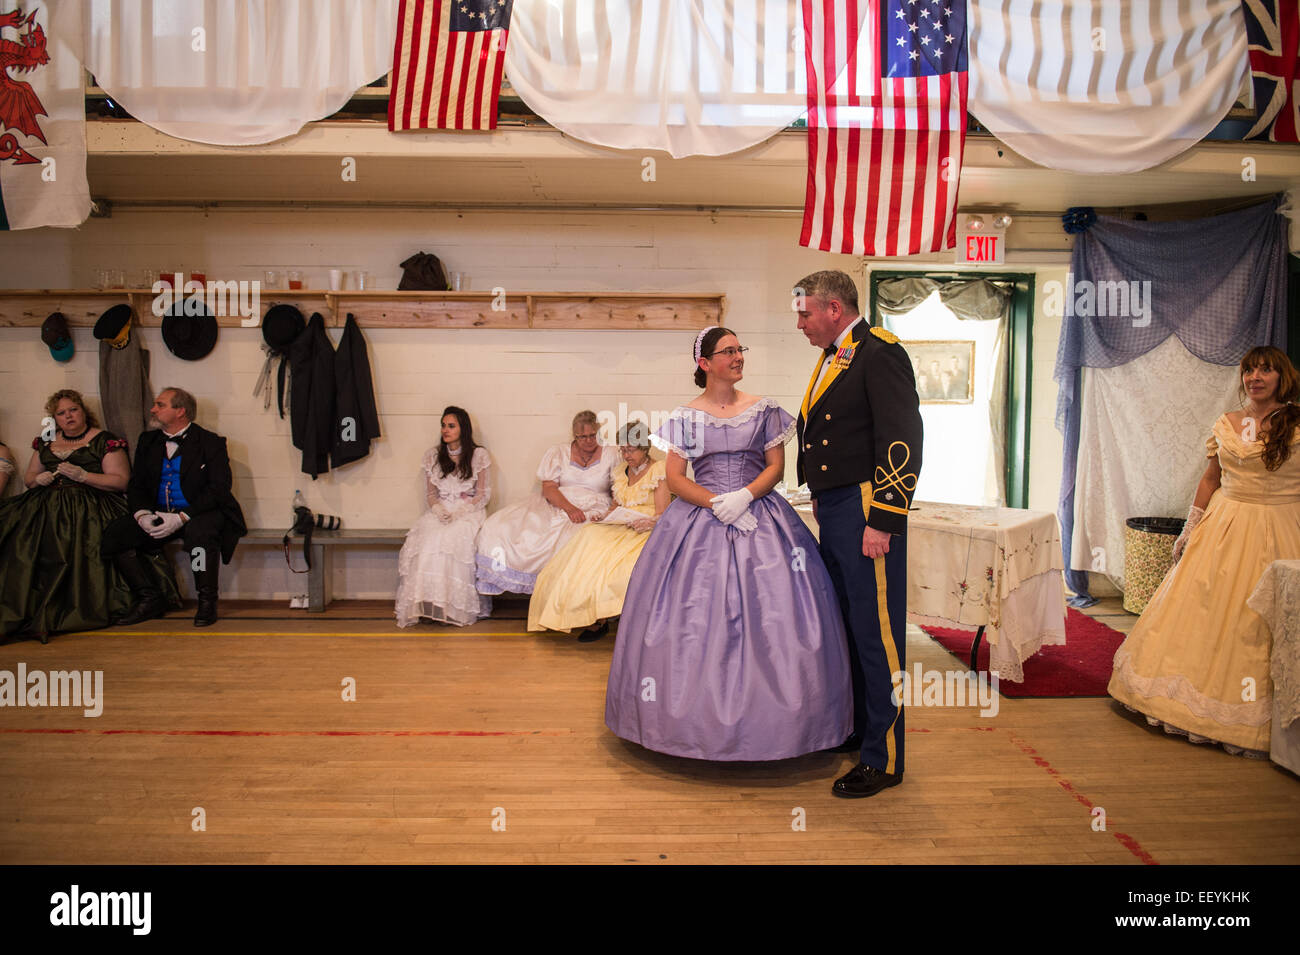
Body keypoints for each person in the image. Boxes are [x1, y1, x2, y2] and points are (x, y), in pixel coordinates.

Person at [604, 326, 852, 760]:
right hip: (701, 517)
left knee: (777, 615)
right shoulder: (686, 417)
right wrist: (717, 503)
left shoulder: (765, 410)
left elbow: (776, 467)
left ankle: (790, 723)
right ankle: (685, 726)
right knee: (693, 618)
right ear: (705, 364)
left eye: (741, 349)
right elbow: (677, 478)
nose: (739, 357)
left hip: (760, 513)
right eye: (729, 351)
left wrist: (745, 497)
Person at [1109, 345, 1300, 756]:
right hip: (1226, 525)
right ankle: (1186, 703)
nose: (1256, 377)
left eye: (1266, 370)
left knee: (1264, 621)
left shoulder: (1297, 423)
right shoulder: (1228, 423)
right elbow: (1210, 479)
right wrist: (1190, 528)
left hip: (1284, 525)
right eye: (1250, 370)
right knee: (1208, 609)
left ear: (1282, 377)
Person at [794, 270, 924, 799]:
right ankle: (857, 729)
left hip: (869, 506)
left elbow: (903, 437)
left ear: (832, 309)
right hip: (839, 507)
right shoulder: (835, 356)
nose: (799, 323)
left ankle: (884, 757)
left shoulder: (880, 351)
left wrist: (885, 518)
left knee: (880, 637)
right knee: (849, 625)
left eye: (804, 313)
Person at [0, 390, 178, 641]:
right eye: (61, 413)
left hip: (91, 506)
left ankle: (79, 607)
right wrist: (38, 480)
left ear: (83, 411)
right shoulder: (46, 440)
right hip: (45, 505)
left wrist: (83, 476)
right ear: (54, 419)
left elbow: (121, 481)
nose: (68, 416)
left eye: (73, 409)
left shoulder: (104, 440)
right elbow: (29, 479)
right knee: (16, 535)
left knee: (93, 544)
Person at [100, 387, 248, 628]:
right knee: (118, 534)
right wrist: (142, 514)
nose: (153, 409)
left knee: (200, 539)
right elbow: (136, 484)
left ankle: (206, 599)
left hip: (198, 512)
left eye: (160, 405)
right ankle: (149, 597)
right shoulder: (148, 441)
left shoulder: (210, 442)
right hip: (158, 512)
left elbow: (219, 489)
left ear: (181, 411)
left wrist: (182, 517)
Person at [527, 419, 669, 642]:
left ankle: (613, 615)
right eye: (623, 449)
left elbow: (663, 513)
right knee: (588, 537)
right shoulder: (622, 471)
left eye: (631, 450)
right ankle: (593, 618)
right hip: (624, 524)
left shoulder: (659, 470)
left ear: (644, 448)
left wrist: (647, 522)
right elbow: (617, 504)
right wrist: (604, 516)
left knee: (618, 563)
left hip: (647, 527)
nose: (626, 455)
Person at [475, 410, 618, 595]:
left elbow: (618, 488)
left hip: (594, 506)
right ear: (574, 435)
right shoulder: (558, 452)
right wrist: (570, 508)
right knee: (501, 526)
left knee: (574, 538)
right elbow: (549, 488)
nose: (589, 441)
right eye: (582, 437)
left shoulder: (611, 453)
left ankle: (570, 594)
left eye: (592, 435)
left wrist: (611, 513)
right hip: (560, 502)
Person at [394, 407, 492, 627]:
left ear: (462, 429)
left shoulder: (478, 455)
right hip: (441, 509)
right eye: (443, 425)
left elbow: (483, 495)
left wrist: (461, 511)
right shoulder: (432, 455)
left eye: (451, 426)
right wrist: (438, 510)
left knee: (455, 539)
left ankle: (454, 607)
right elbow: (430, 494)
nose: (445, 430)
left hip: (469, 511)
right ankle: (430, 606)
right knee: (428, 539)